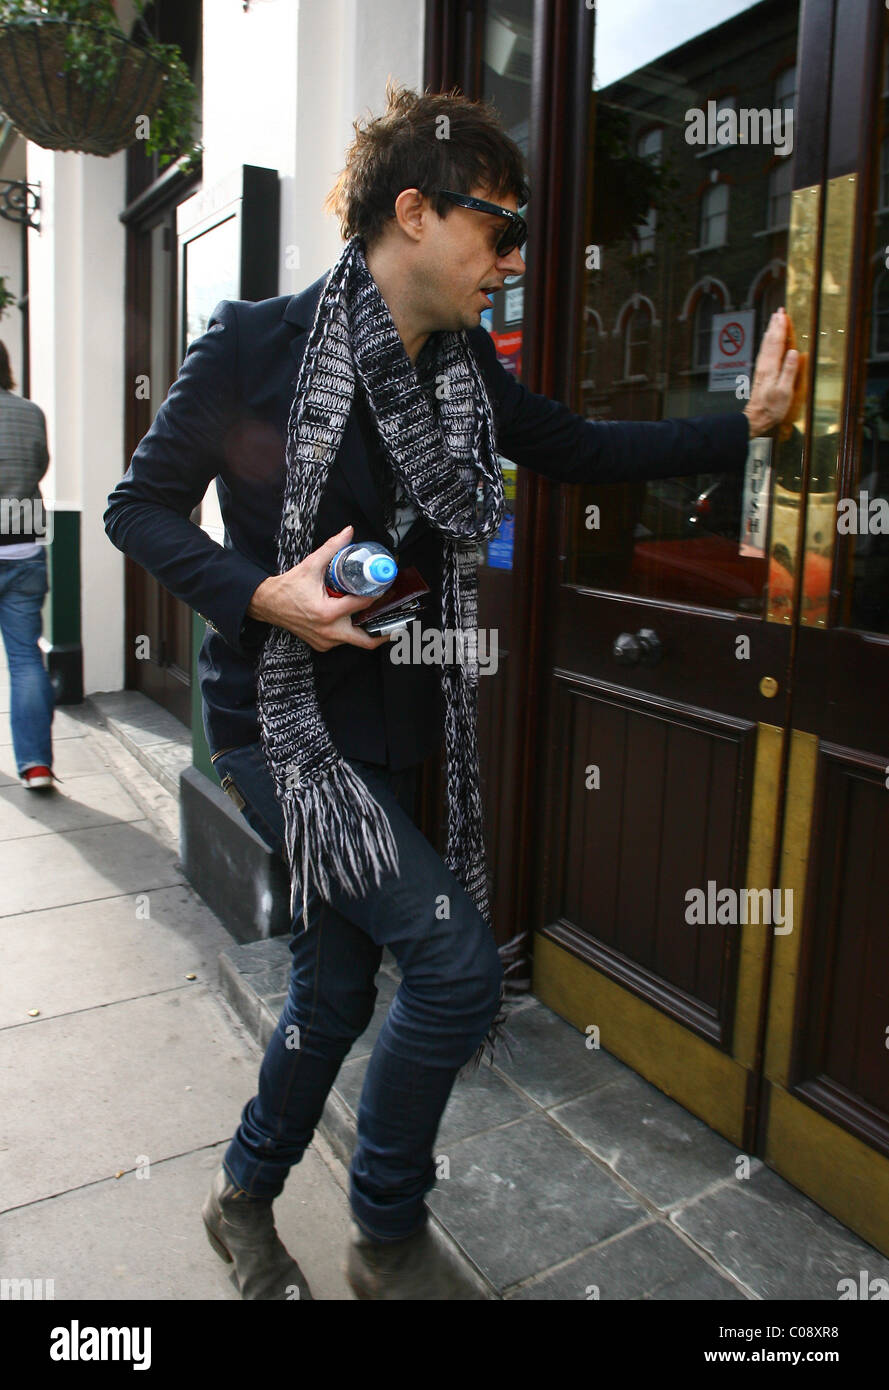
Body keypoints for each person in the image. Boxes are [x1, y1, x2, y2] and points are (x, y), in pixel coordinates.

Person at [103, 82, 798, 1301]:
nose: (514, 261)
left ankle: (242, 1196)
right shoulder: (255, 344)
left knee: (331, 980)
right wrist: (270, 597)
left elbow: (579, 444)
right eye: (500, 231)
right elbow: (134, 510)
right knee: (455, 967)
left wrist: (742, 426)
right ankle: (386, 1234)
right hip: (282, 728)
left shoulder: (465, 367)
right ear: (414, 213)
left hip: (398, 718)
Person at [0, 339, 55, 789]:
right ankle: (36, 764)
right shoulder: (30, 412)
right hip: (23, 544)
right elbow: (38, 466)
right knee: (25, 659)